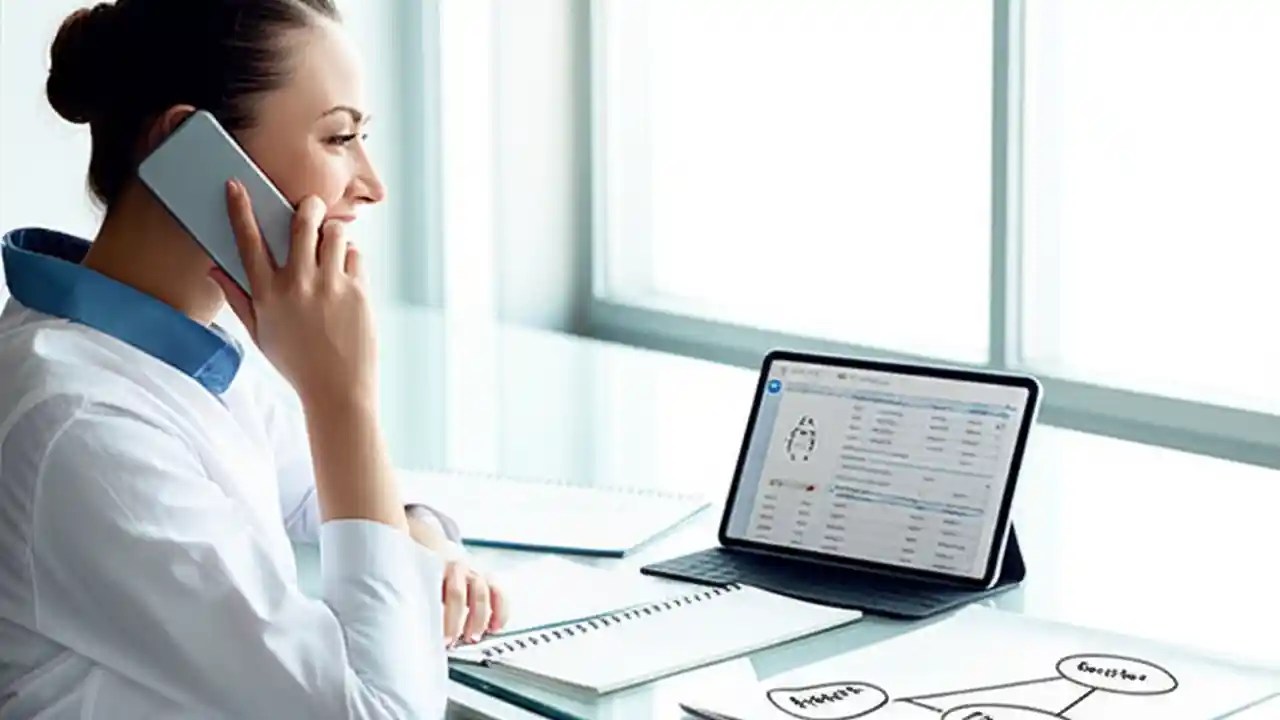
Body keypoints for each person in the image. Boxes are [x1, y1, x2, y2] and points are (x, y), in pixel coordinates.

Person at [0, 1, 507, 717]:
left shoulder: (178, 345)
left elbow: (311, 493)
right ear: (188, 148)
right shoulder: (80, 425)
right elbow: (382, 712)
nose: (370, 184)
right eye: (339, 138)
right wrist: (342, 397)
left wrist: (421, 532)